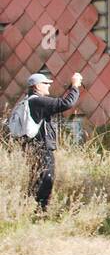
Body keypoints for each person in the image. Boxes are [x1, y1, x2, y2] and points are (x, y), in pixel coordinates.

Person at [18, 71, 82, 211]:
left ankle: (29, 208)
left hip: (33, 146)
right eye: (45, 83)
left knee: (37, 178)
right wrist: (76, 86)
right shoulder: (37, 101)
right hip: (41, 147)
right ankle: (40, 211)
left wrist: (70, 88)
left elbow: (56, 103)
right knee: (46, 178)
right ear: (36, 86)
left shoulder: (30, 101)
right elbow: (66, 103)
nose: (48, 86)